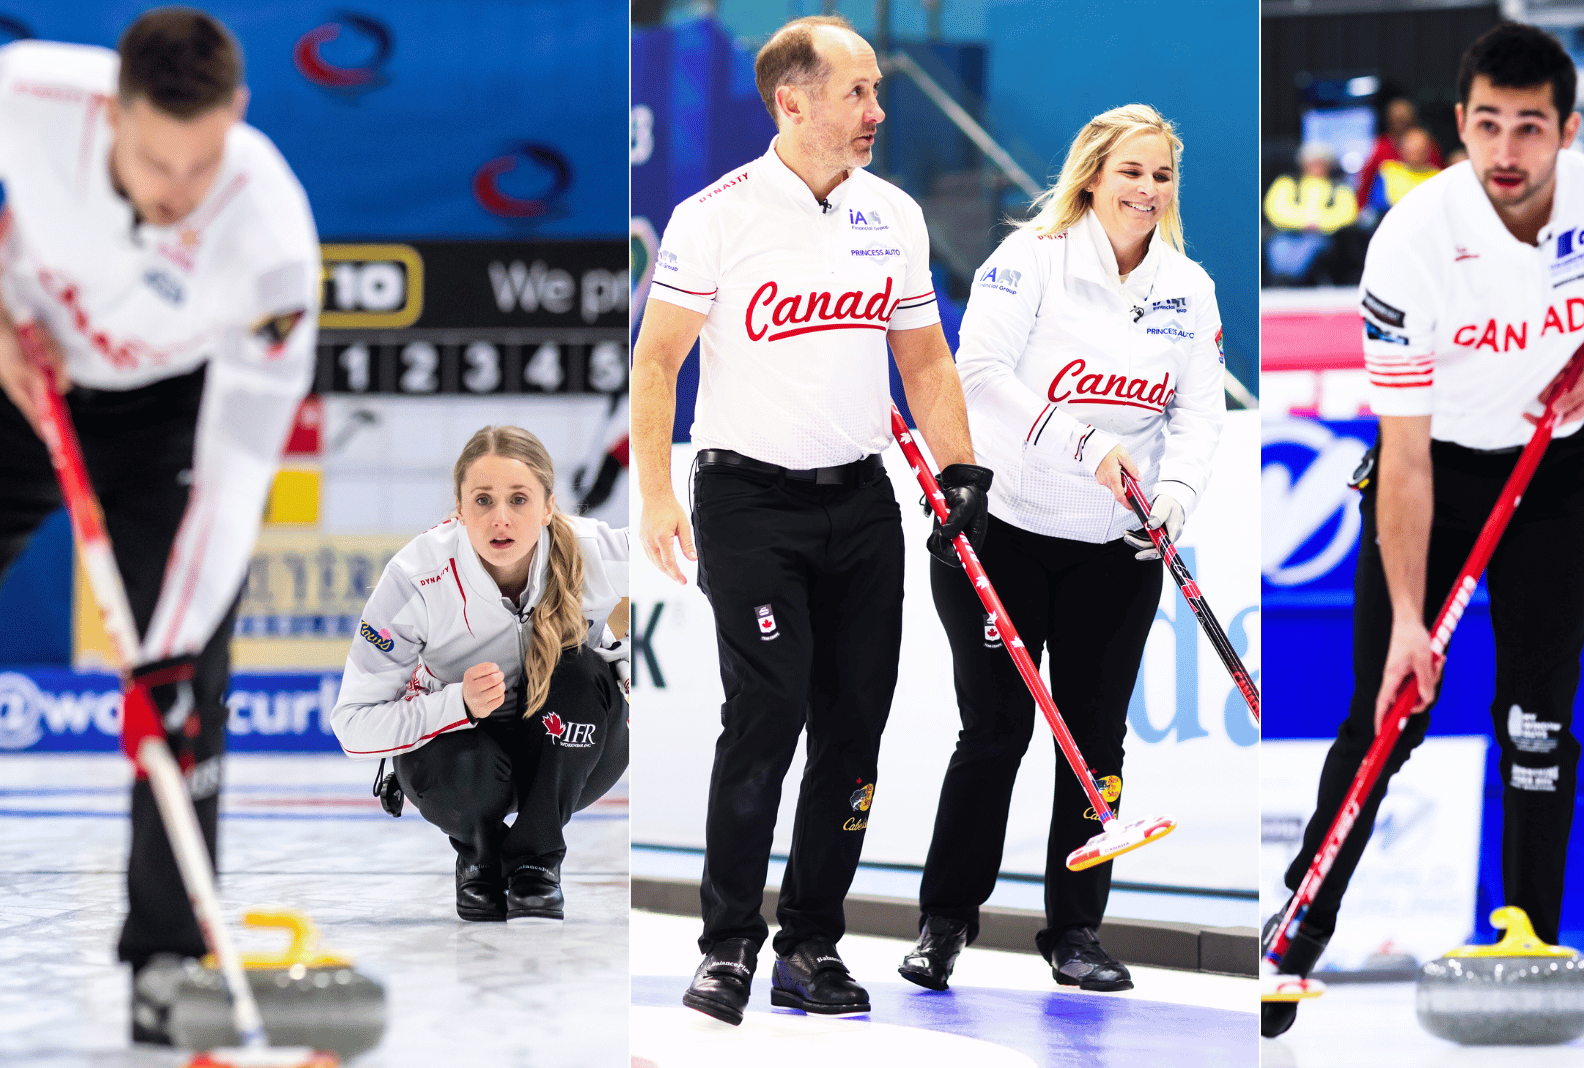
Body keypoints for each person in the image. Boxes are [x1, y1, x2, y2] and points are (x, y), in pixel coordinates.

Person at [1263, 22, 1584, 1038]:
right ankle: (1296, 934)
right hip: (1441, 474)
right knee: (1389, 714)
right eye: (1489, 126)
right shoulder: (1411, 241)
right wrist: (1413, 617)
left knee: (1538, 722)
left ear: (1567, 130)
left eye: (1531, 128)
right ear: (1460, 124)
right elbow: (1404, 455)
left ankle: (1528, 946)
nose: (1508, 152)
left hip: (1555, 472)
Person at [631, 14, 982, 1026]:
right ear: (793, 102)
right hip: (748, 502)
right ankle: (728, 946)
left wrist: (962, 475)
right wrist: (658, 491)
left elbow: (925, 360)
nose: (878, 110)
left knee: (854, 729)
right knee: (767, 713)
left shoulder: (894, 217)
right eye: (859, 92)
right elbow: (659, 361)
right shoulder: (717, 215)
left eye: (877, 91)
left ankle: (810, 946)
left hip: (862, 501)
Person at [0, 9, 318, 1045]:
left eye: (201, 162)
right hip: (23, 373)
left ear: (239, 113)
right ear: (110, 114)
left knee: (185, 688)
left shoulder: (272, 242)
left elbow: (236, 472)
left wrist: (166, 658)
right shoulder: (34, 91)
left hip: (167, 416)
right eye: (152, 161)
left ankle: (167, 961)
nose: (178, 193)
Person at [895, 103, 1225, 995]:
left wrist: (1178, 497)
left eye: (1161, 176)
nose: (1148, 191)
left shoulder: (1188, 288)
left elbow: (1199, 411)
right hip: (1003, 534)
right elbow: (979, 377)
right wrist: (1089, 446)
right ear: (1092, 176)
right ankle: (944, 924)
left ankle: (1076, 931)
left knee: (1096, 742)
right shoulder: (1029, 260)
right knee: (996, 732)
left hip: (1114, 550)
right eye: (1131, 173)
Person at [331, 426, 631, 923]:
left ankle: (536, 862)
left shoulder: (595, 550)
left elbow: (693, 562)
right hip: (464, 760)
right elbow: (352, 724)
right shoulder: (415, 578)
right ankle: (480, 858)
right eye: (484, 500)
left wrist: (623, 659)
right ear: (458, 509)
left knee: (579, 669)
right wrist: (456, 706)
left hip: (575, 755)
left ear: (549, 506)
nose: (501, 519)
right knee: (455, 766)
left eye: (519, 499)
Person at [1264, 142, 1358, 285]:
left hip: (1323, 236)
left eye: (1321, 162)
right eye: (1312, 162)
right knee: (1279, 247)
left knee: (1310, 247)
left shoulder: (1339, 187)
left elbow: (1346, 214)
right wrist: (1303, 223)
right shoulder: (1287, 182)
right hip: (1288, 233)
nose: (1316, 166)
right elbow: (1276, 209)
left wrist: (1318, 224)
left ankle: (1293, 281)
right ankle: (1281, 281)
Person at [1355, 97, 1443, 201]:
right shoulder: (1383, 146)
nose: (1401, 125)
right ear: (1389, 120)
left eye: (1405, 121)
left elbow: (1440, 170)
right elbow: (1368, 178)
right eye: (1397, 120)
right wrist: (1361, 205)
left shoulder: (1425, 142)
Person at [1362, 126, 1441, 225]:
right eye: (1411, 144)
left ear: (1429, 149)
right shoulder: (1387, 170)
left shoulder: (1439, 176)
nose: (1416, 148)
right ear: (1401, 148)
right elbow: (1376, 206)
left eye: (1420, 145)